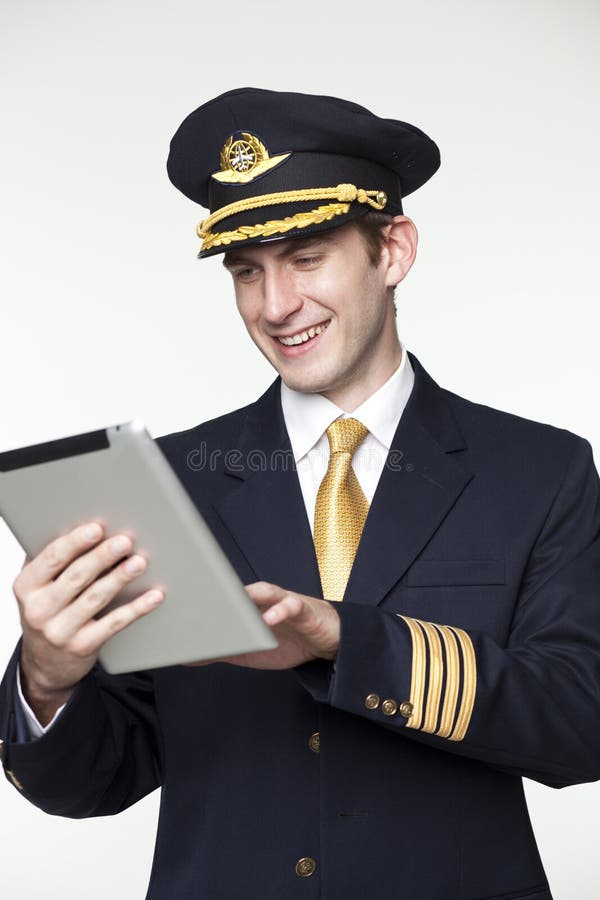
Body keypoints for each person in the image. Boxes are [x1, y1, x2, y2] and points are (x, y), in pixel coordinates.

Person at [1, 87, 600, 900]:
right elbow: (93, 784)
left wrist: (342, 640)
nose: (275, 307)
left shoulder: (540, 470)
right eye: (248, 273)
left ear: (393, 251)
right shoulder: (170, 482)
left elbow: (581, 726)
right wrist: (47, 677)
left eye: (308, 258)